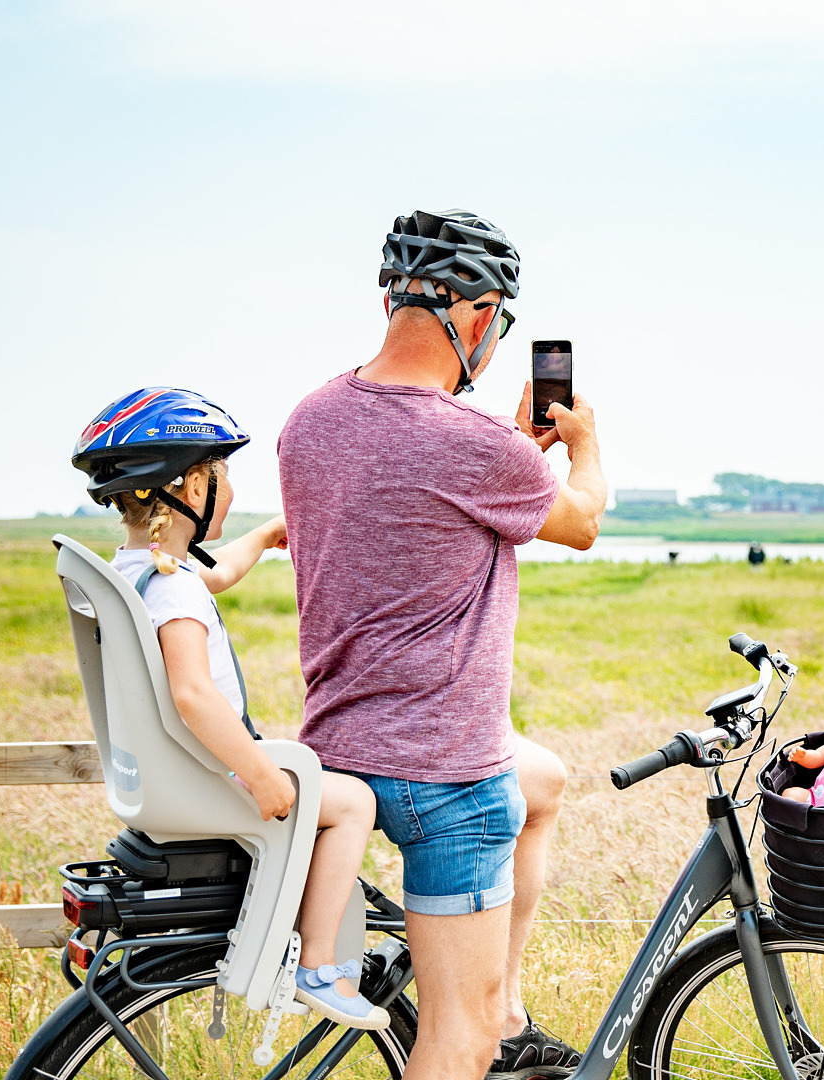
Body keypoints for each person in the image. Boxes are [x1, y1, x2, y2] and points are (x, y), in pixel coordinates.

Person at [277, 210, 608, 1080]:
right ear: (477, 315)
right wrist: (584, 446)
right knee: (459, 1043)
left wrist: (508, 448)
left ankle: (505, 1002)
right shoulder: (475, 443)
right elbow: (583, 522)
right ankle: (482, 1020)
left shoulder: (309, 418)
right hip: (440, 774)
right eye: (499, 327)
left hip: (341, 745)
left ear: (392, 298)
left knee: (542, 780)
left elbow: (408, 490)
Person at [70, 388, 387, 1029]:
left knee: (333, 794)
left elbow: (217, 573)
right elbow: (193, 694)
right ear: (190, 486)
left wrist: (269, 534)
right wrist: (264, 773)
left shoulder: (141, 572)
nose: (230, 489)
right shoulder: (173, 588)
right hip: (215, 778)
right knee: (353, 803)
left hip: (163, 784)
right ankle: (319, 966)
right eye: (222, 475)